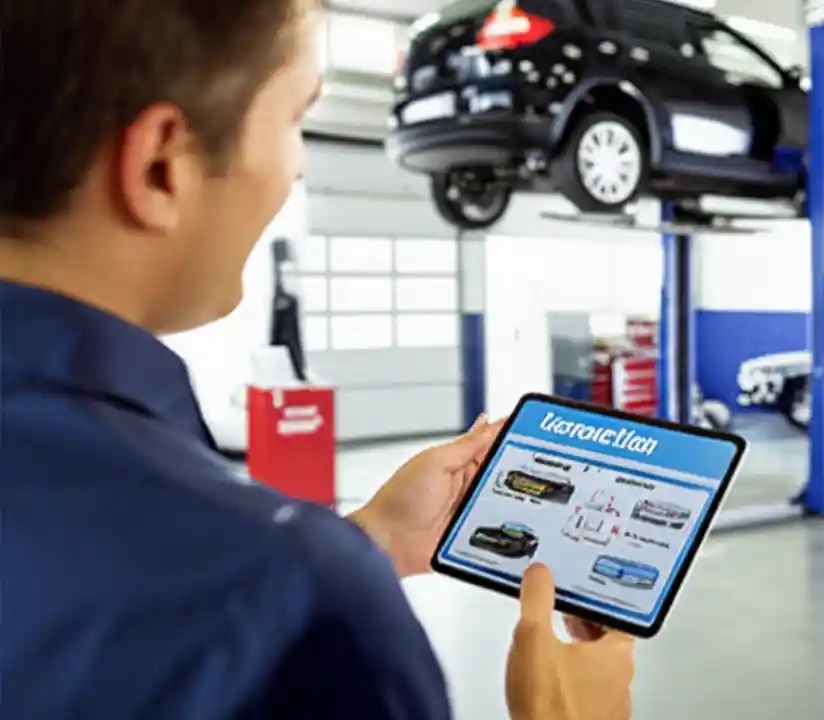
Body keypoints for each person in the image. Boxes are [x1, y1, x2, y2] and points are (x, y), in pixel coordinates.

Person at [0, 2, 634, 719]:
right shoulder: (300, 604)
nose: (298, 165)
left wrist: (374, 537)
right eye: (296, 118)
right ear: (159, 166)